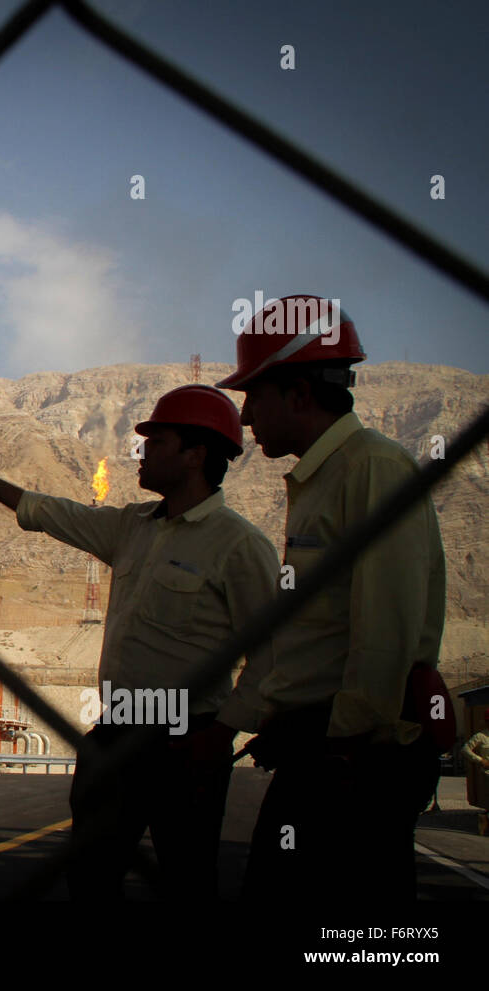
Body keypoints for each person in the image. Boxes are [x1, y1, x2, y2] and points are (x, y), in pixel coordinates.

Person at [0, 384, 278, 899]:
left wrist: (221, 736)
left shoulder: (240, 546)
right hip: (116, 733)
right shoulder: (134, 527)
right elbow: (62, 515)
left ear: (195, 455)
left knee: (187, 878)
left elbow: (271, 654)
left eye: (157, 442)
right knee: (92, 874)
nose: (141, 453)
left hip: (185, 739)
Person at [217, 294, 446, 901]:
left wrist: (341, 752)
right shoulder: (326, 478)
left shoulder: (372, 470)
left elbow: (384, 633)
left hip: (352, 761)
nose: (244, 417)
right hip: (324, 749)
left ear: (298, 393)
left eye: (254, 396)